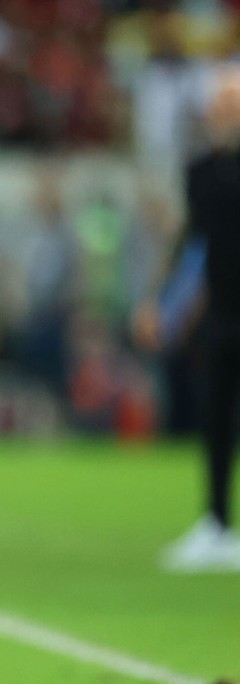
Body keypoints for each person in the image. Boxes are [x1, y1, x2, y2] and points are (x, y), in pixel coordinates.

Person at [134, 65, 240, 573]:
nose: (226, 113)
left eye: (233, 103)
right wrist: (160, 302)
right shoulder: (201, 171)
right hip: (222, 314)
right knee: (215, 420)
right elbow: (191, 244)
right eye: (221, 104)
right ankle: (217, 524)